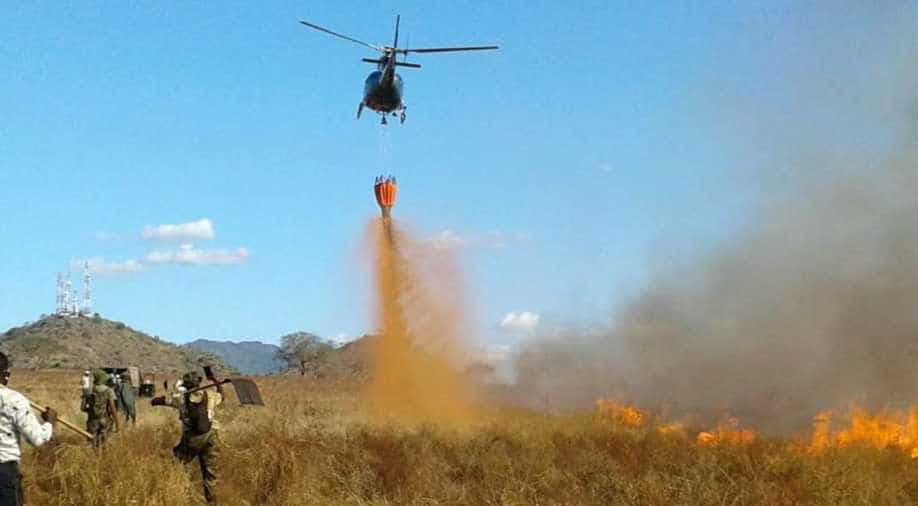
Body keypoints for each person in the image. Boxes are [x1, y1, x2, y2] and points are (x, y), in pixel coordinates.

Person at [152, 371, 222, 504]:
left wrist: (154, 401)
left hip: (192, 438)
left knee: (176, 464)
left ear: (185, 384)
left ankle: (178, 495)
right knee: (211, 474)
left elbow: (162, 400)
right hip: (211, 436)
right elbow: (222, 396)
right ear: (198, 383)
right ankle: (212, 502)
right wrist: (215, 380)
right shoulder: (211, 395)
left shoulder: (181, 397)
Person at [0, 351, 56, 506]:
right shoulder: (13, 399)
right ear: (5, 374)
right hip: (4, 474)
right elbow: (38, 440)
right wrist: (50, 422)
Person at [81, 370, 119, 448]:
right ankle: (104, 458)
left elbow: (82, 408)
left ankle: (93, 458)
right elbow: (112, 408)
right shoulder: (109, 391)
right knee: (104, 443)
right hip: (105, 420)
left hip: (92, 421)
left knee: (92, 444)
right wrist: (117, 423)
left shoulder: (89, 391)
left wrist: (90, 411)